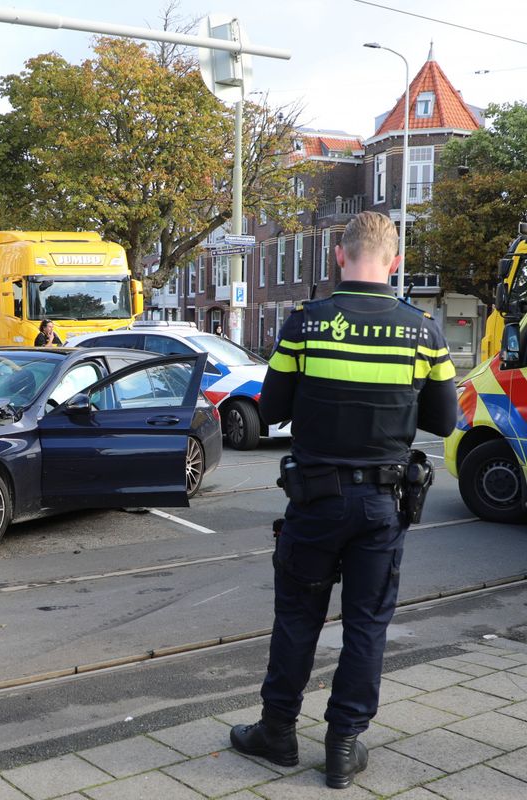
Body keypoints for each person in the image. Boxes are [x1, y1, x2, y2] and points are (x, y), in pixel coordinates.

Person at [229, 211, 457, 789]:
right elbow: (445, 419)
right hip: (383, 506)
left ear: (340, 255)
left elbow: (273, 407)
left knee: (297, 618)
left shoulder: (306, 324)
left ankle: (276, 733)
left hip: (315, 501)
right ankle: (343, 745)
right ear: (396, 262)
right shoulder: (423, 330)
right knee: (366, 624)